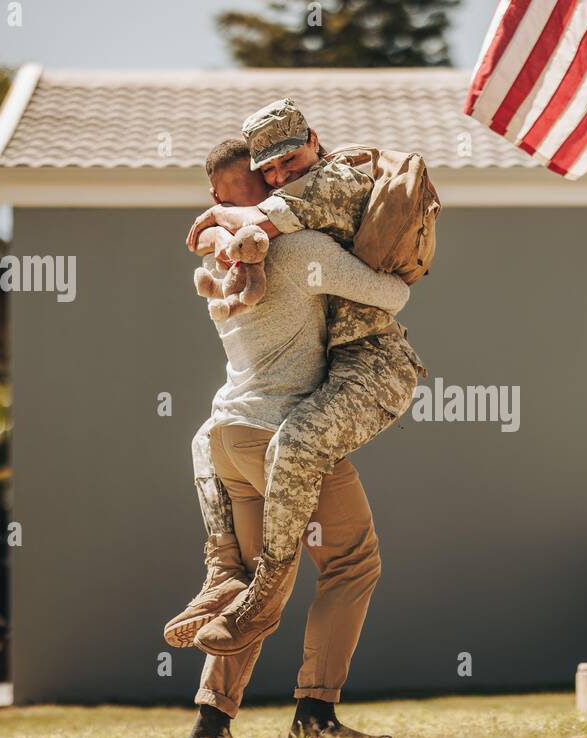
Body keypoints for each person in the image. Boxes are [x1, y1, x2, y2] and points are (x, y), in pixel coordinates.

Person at [176, 99, 427, 669]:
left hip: (365, 366)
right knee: (346, 560)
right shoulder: (291, 243)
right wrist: (226, 224)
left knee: (279, 451)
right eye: (272, 171)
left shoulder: (332, 183)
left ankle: (241, 593)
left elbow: (270, 218)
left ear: (314, 139)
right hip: (298, 401)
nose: (285, 176)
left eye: (291, 160)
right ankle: (261, 665)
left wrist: (219, 219)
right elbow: (265, 224)